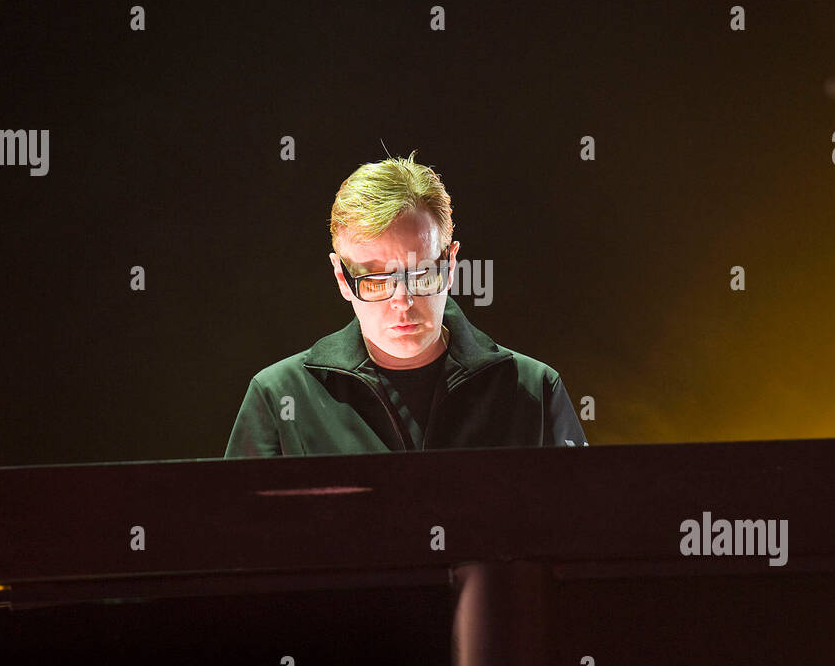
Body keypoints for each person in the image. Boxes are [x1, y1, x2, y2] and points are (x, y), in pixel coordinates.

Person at [224, 151, 587, 457]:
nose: (403, 300)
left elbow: (580, 530)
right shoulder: (279, 396)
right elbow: (237, 535)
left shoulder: (534, 389)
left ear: (451, 263)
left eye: (422, 273)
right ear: (341, 278)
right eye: (376, 280)